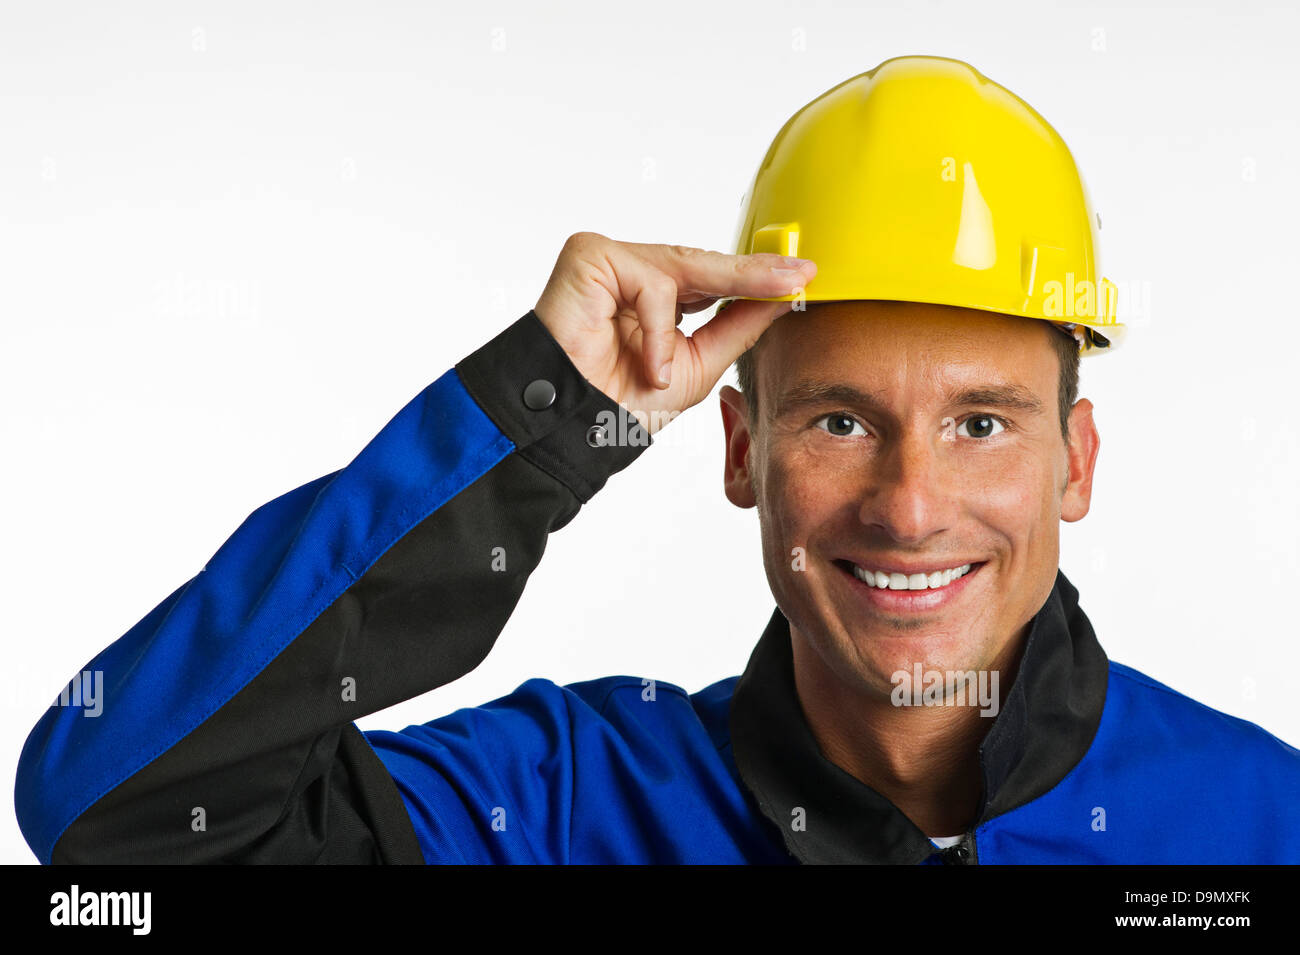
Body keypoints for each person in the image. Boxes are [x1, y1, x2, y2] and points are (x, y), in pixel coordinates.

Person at [16, 57, 1300, 865]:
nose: (909, 507)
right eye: (838, 420)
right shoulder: (562, 805)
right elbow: (109, 822)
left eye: (981, 423)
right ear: (740, 449)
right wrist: (547, 421)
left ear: (1074, 461)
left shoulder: (1262, 821)